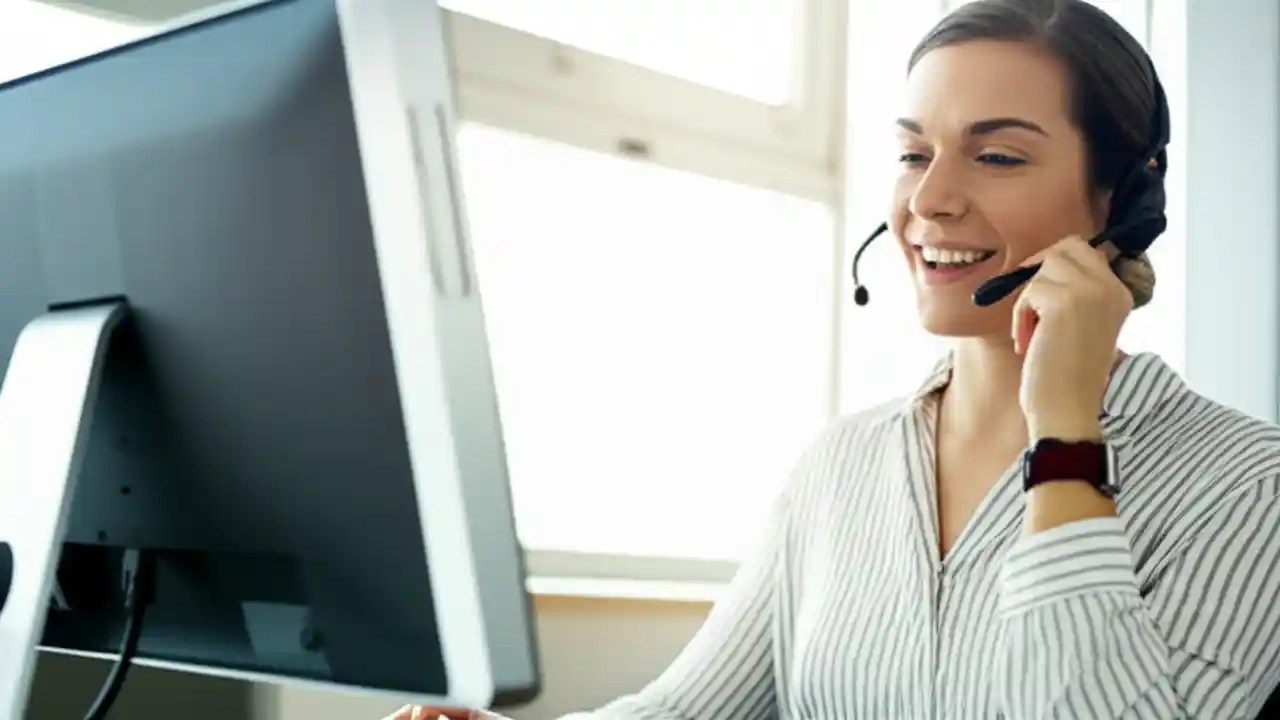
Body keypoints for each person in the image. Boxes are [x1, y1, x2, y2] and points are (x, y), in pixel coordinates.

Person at [390, 0, 1280, 717]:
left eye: (997, 155)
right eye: (912, 153)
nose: (929, 200)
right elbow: (680, 713)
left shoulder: (1247, 484)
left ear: (1125, 197)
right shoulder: (838, 468)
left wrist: (1064, 437)